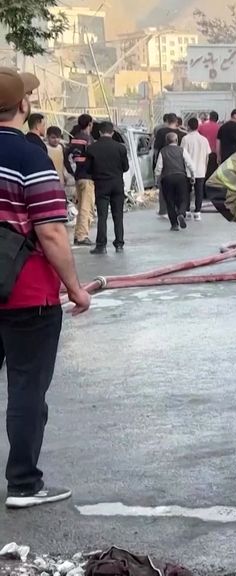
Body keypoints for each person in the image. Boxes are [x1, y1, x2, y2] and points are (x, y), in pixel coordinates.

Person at [0, 67, 91, 509]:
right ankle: (23, 483)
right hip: (26, 294)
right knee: (26, 389)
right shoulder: (29, 156)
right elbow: (52, 232)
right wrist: (75, 287)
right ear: (23, 106)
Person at [83, 122, 130, 255]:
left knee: (102, 216)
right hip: (117, 185)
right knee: (118, 215)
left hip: (101, 185)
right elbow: (126, 168)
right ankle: (119, 243)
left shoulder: (92, 148)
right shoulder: (120, 148)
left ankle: (101, 245)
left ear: (99, 132)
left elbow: (87, 169)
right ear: (113, 132)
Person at [154, 132, 197, 232]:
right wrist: (193, 176)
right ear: (177, 140)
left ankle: (174, 224)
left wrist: (158, 179)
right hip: (181, 176)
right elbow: (190, 164)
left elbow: (158, 168)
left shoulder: (163, 151)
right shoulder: (182, 150)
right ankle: (181, 213)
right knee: (183, 198)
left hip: (167, 178)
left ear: (166, 141)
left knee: (170, 201)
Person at [67, 116, 94, 245]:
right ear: (90, 124)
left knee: (81, 205)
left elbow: (66, 157)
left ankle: (78, 235)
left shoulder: (74, 138)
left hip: (78, 176)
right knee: (86, 207)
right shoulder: (88, 140)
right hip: (87, 177)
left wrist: (72, 172)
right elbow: (93, 158)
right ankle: (82, 236)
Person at [182, 117, 212, 220]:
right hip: (201, 169)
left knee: (187, 191)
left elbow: (183, 154)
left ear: (188, 126)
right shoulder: (204, 139)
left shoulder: (185, 139)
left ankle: (186, 210)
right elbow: (208, 155)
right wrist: (205, 167)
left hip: (188, 170)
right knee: (199, 191)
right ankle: (197, 212)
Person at [152, 113, 178, 218]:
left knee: (163, 188)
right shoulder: (181, 133)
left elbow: (156, 148)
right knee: (176, 188)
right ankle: (176, 209)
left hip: (163, 161)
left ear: (166, 121)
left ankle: (163, 210)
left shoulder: (160, 132)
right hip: (177, 163)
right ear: (176, 121)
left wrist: (155, 160)